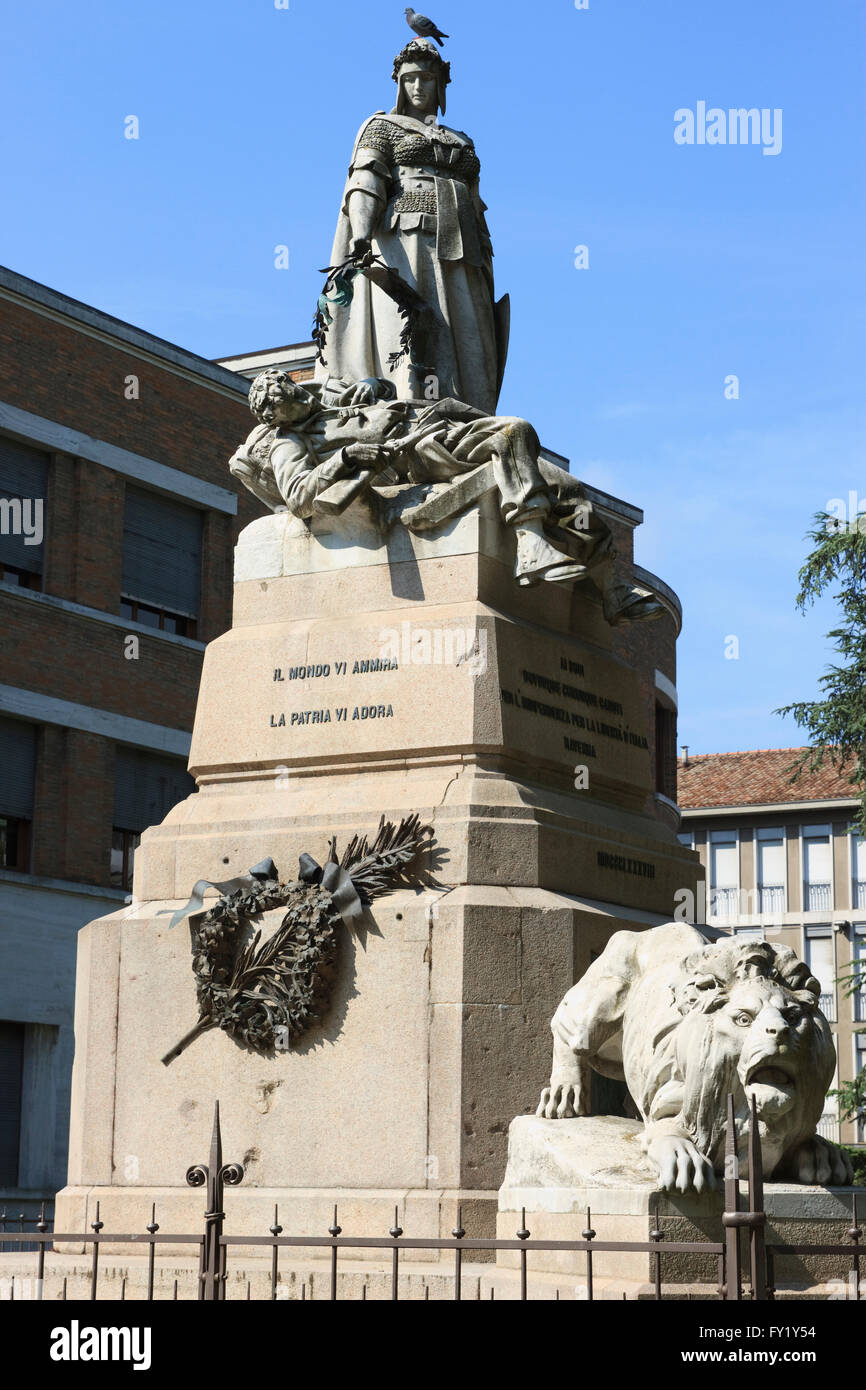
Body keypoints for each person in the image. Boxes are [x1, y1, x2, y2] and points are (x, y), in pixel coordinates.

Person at [229, 369, 663, 623]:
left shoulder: (326, 396)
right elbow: (300, 495)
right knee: (513, 432)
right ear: (273, 416)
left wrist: (373, 386)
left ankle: (610, 589)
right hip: (419, 452)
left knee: (570, 490)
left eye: (295, 389)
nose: (300, 398)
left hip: (435, 420)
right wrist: (345, 455)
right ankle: (530, 541)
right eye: (287, 401)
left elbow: (380, 394)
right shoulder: (288, 443)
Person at [319, 39, 507, 414]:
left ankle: (464, 407)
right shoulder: (382, 127)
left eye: (427, 79)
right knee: (411, 324)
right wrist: (360, 233)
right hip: (405, 242)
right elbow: (365, 183)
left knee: (468, 335)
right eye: (410, 80)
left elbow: (477, 201)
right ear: (399, 85)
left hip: (463, 249)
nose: (418, 88)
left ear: (440, 85)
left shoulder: (462, 141)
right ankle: (410, 403)